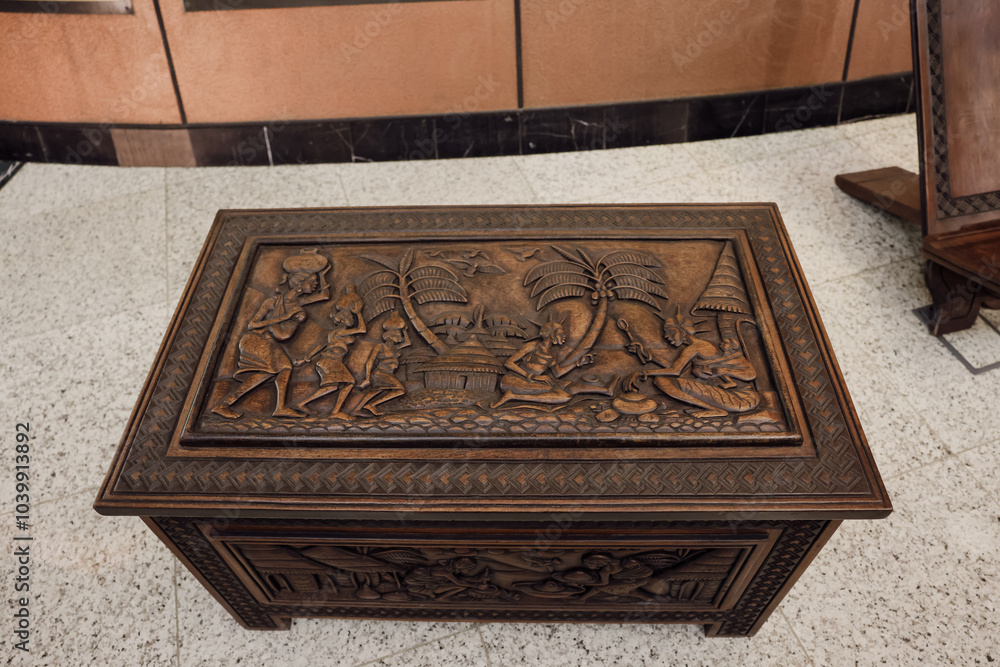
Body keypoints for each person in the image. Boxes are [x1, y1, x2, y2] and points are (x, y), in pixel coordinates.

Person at [212, 250, 329, 419]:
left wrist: (321, 273)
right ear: (299, 283)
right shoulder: (271, 302)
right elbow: (252, 324)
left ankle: (231, 405)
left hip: (271, 343)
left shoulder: (299, 302)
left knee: (281, 369)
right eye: (313, 281)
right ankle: (230, 404)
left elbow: (325, 295)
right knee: (279, 369)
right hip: (256, 340)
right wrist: (283, 318)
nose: (316, 284)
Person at [625, 312, 759, 418]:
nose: (666, 336)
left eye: (671, 332)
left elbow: (675, 371)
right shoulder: (696, 347)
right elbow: (676, 366)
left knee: (662, 380)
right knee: (664, 379)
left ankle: (714, 410)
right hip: (728, 396)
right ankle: (711, 407)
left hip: (740, 399)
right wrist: (648, 354)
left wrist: (642, 373)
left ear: (682, 331)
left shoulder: (697, 346)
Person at [296, 285, 366, 419]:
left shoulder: (334, 334)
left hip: (327, 362)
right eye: (350, 318)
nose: (352, 320)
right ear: (343, 319)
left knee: (333, 387)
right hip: (331, 362)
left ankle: (302, 403)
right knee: (349, 383)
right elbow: (362, 330)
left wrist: (306, 358)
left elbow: (321, 346)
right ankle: (335, 412)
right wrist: (358, 313)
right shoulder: (340, 332)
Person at [490, 317, 592, 408]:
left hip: (532, 382)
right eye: (561, 333)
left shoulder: (551, 353)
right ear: (552, 335)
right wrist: (531, 376)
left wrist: (577, 363)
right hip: (513, 381)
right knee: (564, 396)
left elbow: (558, 373)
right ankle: (512, 396)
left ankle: (605, 391)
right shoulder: (532, 346)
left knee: (568, 385)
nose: (564, 336)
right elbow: (508, 363)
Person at [353, 311, 410, 416]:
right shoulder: (380, 347)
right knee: (400, 390)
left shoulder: (395, 348)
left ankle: (357, 408)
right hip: (380, 373)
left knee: (374, 392)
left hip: (389, 373)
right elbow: (370, 361)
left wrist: (404, 330)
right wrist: (367, 378)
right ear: (391, 335)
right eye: (398, 334)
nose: (400, 338)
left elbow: (407, 343)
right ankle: (372, 404)